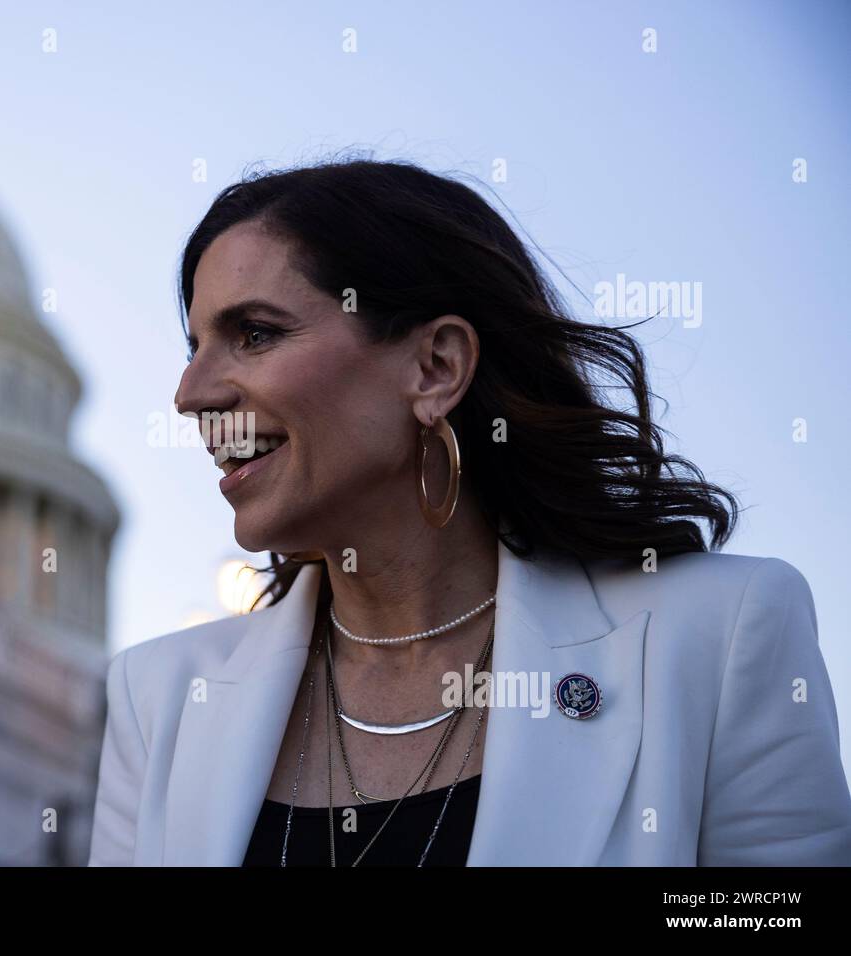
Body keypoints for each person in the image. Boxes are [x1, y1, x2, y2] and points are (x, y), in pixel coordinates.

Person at [87, 157, 851, 866]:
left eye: (254, 334)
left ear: (437, 367)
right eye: (193, 346)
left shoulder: (720, 636)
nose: (189, 395)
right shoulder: (157, 699)